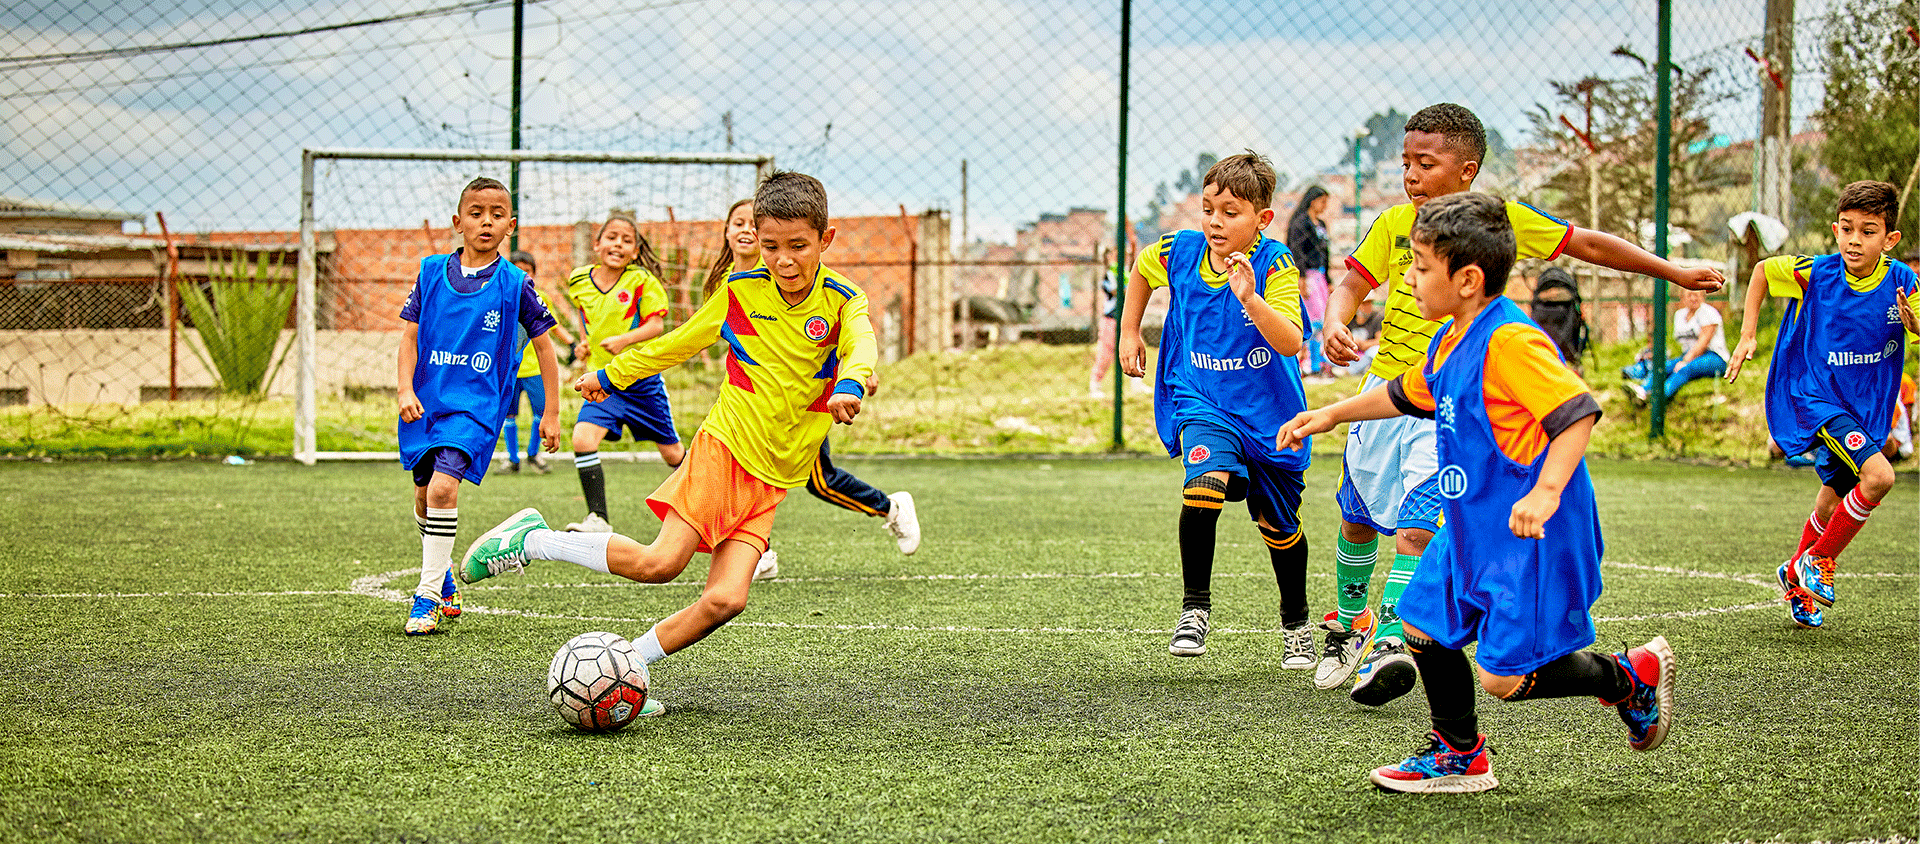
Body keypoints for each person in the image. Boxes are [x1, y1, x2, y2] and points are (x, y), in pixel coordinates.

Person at [1312, 103, 1722, 704]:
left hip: (1452, 409)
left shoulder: (1496, 238)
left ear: (1467, 170)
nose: (1411, 175)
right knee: (1357, 516)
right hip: (1392, 390)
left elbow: (1587, 245)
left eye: (1425, 163)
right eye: (1405, 163)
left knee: (1418, 532)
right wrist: (1333, 324)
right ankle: (1355, 626)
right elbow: (1352, 284)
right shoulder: (1395, 223)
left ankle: (1393, 645)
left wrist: (1674, 272)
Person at [1279, 192, 1674, 794]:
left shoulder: (1511, 342)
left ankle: (1628, 678)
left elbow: (1577, 413)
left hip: (1529, 535)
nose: (1408, 280)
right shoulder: (1450, 337)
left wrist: (1544, 493)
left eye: (1420, 268)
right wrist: (1331, 414)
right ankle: (1460, 755)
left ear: (1466, 280)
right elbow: (1408, 392)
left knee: (1502, 680)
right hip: (1471, 525)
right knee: (1421, 625)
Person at [459, 171, 877, 715]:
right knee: (661, 563)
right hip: (727, 447)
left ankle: (622, 670)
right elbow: (676, 344)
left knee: (726, 600)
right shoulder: (740, 293)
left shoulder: (844, 300)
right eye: (771, 246)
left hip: (775, 474)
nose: (784, 260)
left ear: (826, 238)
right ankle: (534, 540)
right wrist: (611, 375)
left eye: (798, 246)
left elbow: (861, 344)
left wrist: (852, 381)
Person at [1116, 151, 1317, 666]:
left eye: (1230, 212)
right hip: (1201, 398)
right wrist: (1129, 331)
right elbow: (1140, 272)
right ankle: (1194, 610)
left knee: (1278, 525)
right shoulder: (1179, 250)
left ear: (1262, 219)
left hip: (1269, 415)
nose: (1215, 222)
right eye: (1208, 209)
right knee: (1203, 484)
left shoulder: (1275, 264)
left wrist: (1249, 298)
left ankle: (1296, 621)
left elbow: (1291, 341)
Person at [1726, 179, 1916, 629]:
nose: (1854, 240)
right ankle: (1819, 560)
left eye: (1868, 231)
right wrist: (1748, 334)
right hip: (1818, 397)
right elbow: (1761, 272)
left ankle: (1795, 574)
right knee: (1880, 477)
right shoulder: (1816, 272)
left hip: (1867, 409)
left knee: (1833, 502)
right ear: (1835, 230)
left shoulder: (1903, 281)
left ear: (1890, 239)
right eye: (1847, 228)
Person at [702, 197, 920, 582]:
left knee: (820, 481)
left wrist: (855, 374)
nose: (746, 231)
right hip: (755, 403)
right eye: (737, 223)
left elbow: (845, 333)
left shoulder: (802, 279)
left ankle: (891, 508)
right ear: (729, 233)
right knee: (739, 468)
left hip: (804, 403)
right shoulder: (727, 287)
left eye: (751, 224)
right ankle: (760, 551)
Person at [395, 177, 561, 635]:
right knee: (423, 495)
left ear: (511, 225)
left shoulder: (516, 284)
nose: (486, 222)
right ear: (458, 221)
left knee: (442, 491)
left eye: (496, 214)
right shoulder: (430, 273)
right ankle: (443, 577)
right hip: (426, 402)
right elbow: (408, 337)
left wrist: (551, 413)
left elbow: (545, 348)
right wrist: (405, 389)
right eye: (476, 213)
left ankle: (426, 596)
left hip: (476, 407)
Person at [562, 216, 686, 533]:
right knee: (582, 438)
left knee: (672, 454)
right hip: (603, 382)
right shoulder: (579, 279)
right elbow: (586, 315)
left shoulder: (641, 281)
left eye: (627, 240)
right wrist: (584, 343)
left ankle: (710, 506)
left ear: (635, 252)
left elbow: (656, 326)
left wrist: (624, 340)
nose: (618, 244)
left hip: (641, 382)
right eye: (612, 237)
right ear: (597, 244)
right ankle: (598, 519)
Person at [498, 250, 575, 474]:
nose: (523, 274)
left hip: (535, 369)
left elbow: (553, 325)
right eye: (517, 270)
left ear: (534, 274)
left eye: (527, 271)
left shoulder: (539, 297)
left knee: (541, 413)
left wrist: (571, 343)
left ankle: (533, 454)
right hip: (510, 370)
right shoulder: (500, 297)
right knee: (508, 415)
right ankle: (512, 459)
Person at [1622, 286, 1727, 403]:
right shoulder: (1680, 315)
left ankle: (1660, 396)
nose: (1693, 298)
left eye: (1696, 295)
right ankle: (1642, 391)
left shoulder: (1708, 313)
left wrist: (1685, 361)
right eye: (1689, 295)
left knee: (1684, 369)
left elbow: (1703, 344)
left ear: (1702, 297)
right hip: (1688, 354)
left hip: (1713, 357)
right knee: (1664, 367)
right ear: (1682, 297)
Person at [1286, 185, 1332, 379]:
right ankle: (1308, 364)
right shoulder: (1300, 224)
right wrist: (1302, 278)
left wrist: (1328, 279)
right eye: (1322, 201)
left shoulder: (1320, 224)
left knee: (1321, 319)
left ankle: (1317, 363)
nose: (1325, 206)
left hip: (1320, 276)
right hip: (1308, 276)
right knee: (1312, 320)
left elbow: (1326, 252)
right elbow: (1297, 251)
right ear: (1313, 201)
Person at [1339, 295, 1383, 377]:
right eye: (1364, 304)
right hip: (1352, 353)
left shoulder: (1377, 317)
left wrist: (1365, 344)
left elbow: (1380, 341)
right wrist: (1352, 343)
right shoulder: (1349, 319)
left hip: (1367, 354)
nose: (1367, 306)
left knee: (1374, 351)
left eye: (1369, 303)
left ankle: (1350, 371)